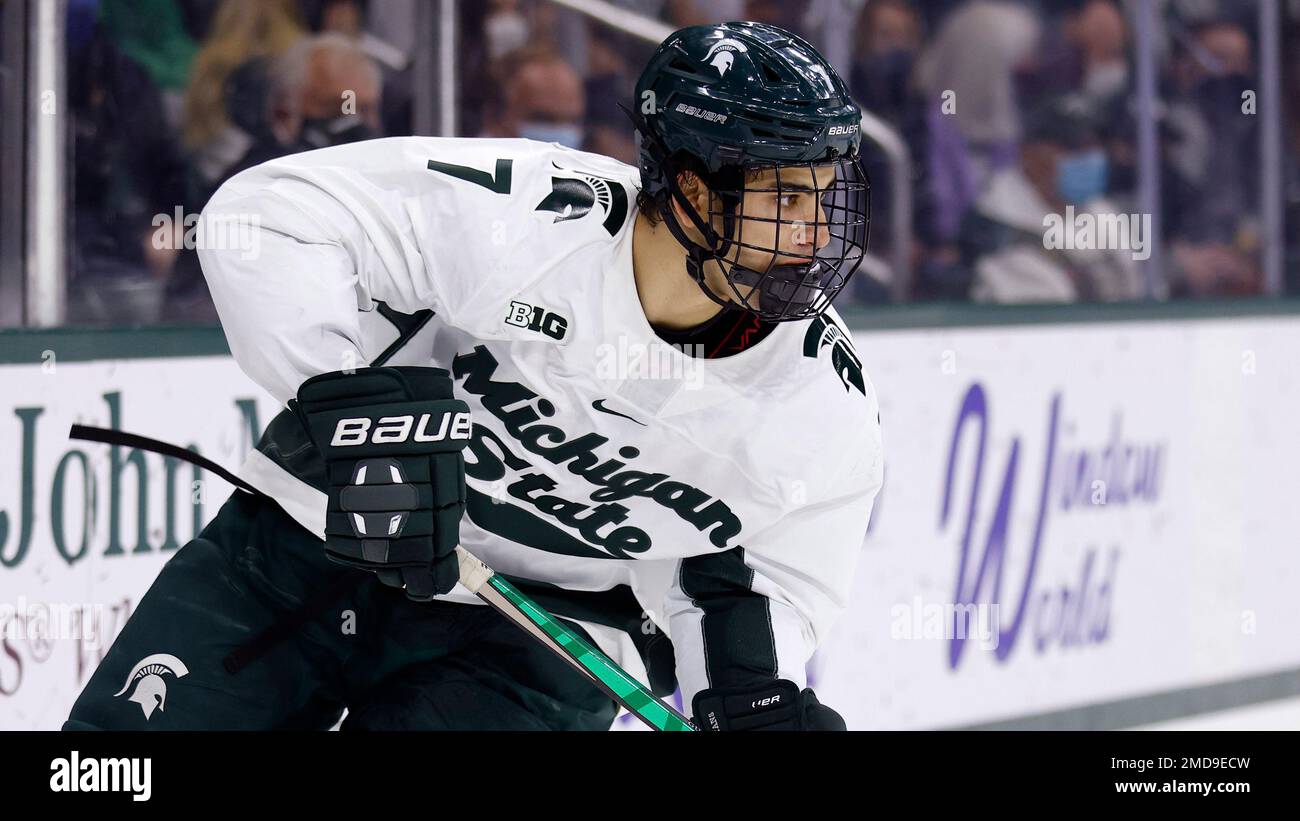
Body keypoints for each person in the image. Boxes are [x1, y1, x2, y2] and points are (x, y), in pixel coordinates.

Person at [64, 21, 881, 731]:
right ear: (695, 189)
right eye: (786, 199)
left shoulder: (818, 406)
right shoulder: (525, 215)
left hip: (535, 648)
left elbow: (763, 575)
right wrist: (351, 407)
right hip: (310, 547)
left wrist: (746, 689)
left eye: (825, 197)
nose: (816, 236)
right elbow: (259, 217)